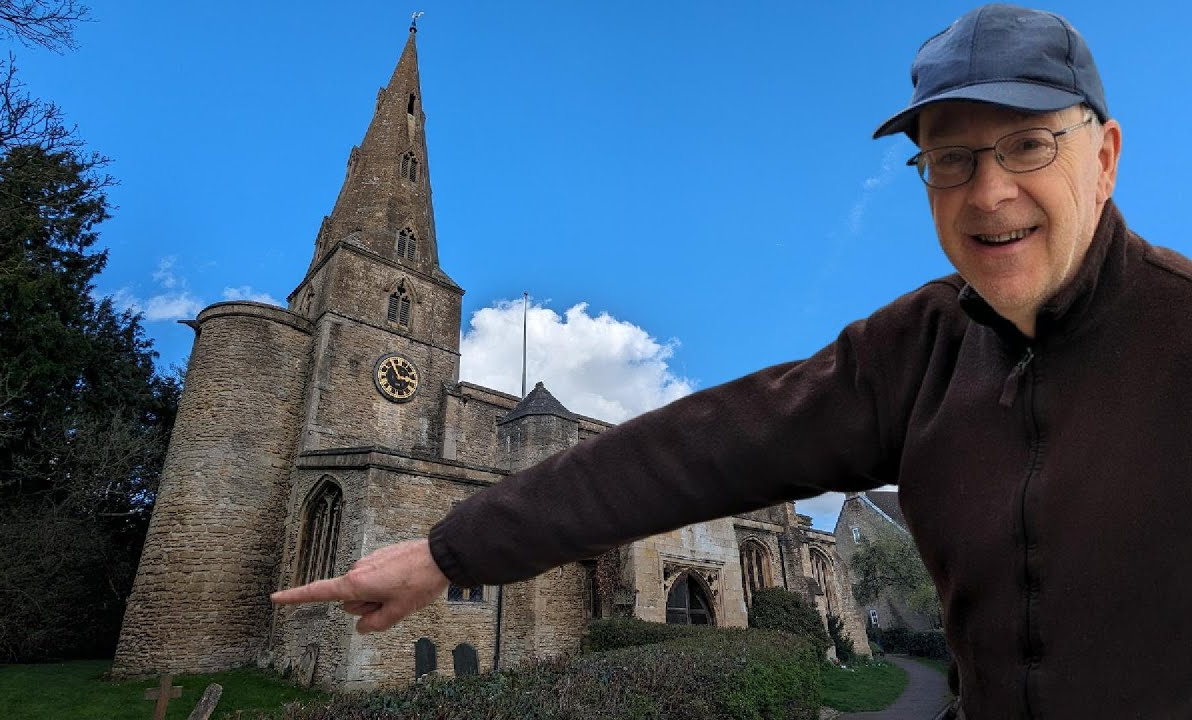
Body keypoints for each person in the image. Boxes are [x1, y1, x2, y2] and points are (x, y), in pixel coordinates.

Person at [275, 4, 1192, 717]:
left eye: (1029, 144)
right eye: (950, 160)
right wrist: (445, 551)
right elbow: (698, 449)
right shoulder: (919, 349)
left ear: (1105, 159)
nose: (988, 192)